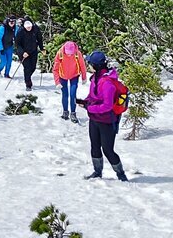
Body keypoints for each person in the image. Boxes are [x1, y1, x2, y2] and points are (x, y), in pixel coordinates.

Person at [76, 50, 127, 181]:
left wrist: (89, 107)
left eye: (90, 63)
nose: (88, 65)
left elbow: (107, 106)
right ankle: (97, 172)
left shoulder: (107, 83)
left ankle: (121, 175)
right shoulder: (95, 78)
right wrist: (84, 101)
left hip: (107, 121)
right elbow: (92, 96)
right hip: (94, 119)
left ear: (96, 66)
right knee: (94, 147)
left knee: (108, 150)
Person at [53, 40, 87, 122]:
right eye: (67, 53)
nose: (69, 54)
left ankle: (73, 113)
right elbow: (55, 69)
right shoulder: (60, 54)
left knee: (73, 94)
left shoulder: (77, 53)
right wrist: (57, 82)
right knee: (65, 94)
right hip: (62, 76)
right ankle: (65, 112)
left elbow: (82, 65)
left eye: (70, 53)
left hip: (74, 75)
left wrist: (84, 77)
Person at [13, 18, 43, 90]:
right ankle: (28, 84)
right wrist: (22, 52)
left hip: (33, 51)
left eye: (30, 27)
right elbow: (17, 44)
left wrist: (42, 48)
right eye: (27, 27)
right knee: (27, 68)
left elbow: (39, 39)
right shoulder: (20, 31)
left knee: (33, 67)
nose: (29, 28)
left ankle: (27, 77)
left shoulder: (36, 29)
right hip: (24, 52)